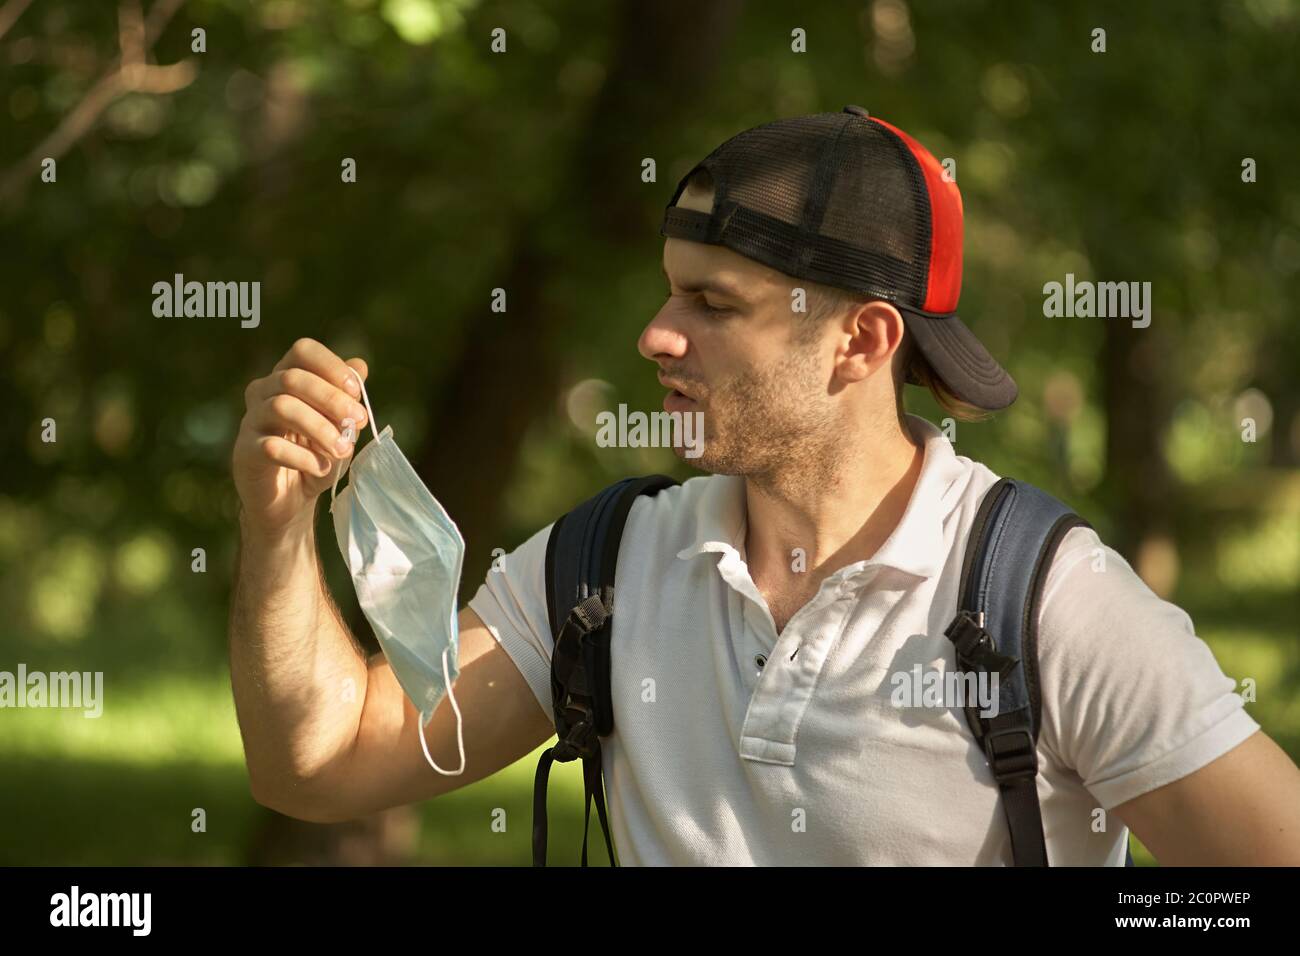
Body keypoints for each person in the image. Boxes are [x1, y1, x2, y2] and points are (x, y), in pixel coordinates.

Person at [228, 108, 1300, 865]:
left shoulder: (1044, 599)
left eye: (712, 302)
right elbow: (320, 763)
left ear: (859, 340)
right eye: (666, 295)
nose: (655, 335)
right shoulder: (602, 563)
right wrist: (276, 521)